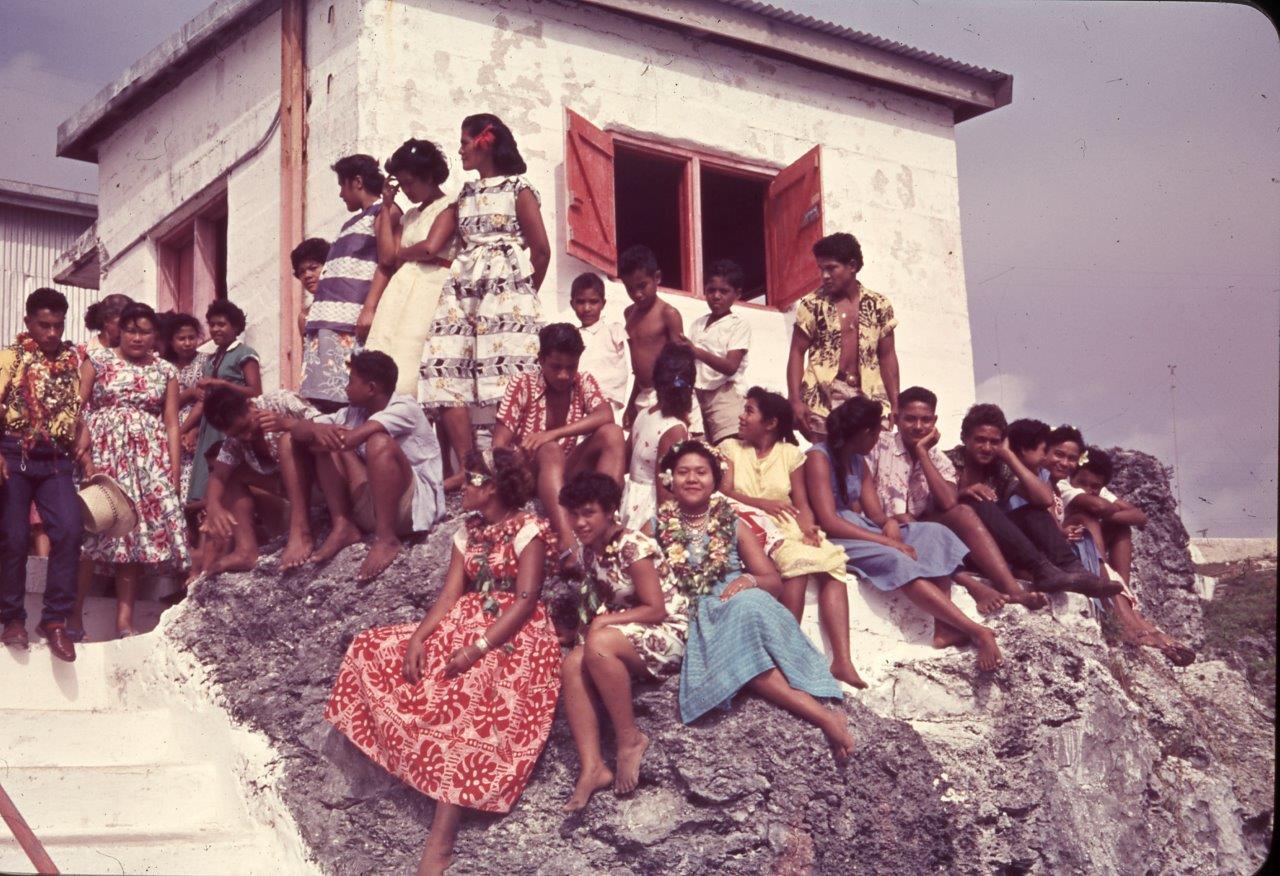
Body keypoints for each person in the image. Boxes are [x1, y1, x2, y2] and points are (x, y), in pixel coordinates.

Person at [325, 447, 560, 876]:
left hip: (512, 637)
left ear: (490, 487)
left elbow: (526, 601)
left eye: (469, 478)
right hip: (464, 621)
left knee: (472, 689)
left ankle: (442, 838)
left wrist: (477, 649)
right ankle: (402, 765)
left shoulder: (530, 530)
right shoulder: (468, 532)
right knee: (371, 646)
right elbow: (451, 594)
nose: (462, 484)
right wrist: (419, 636)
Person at [646, 441, 854, 758]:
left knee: (748, 605)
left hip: (741, 598)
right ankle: (823, 717)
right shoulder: (655, 527)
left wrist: (749, 579)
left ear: (714, 481)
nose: (691, 479)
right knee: (741, 621)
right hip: (695, 607)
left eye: (701, 472)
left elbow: (773, 581)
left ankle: (823, 709)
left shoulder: (732, 523)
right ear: (669, 479)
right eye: (683, 472)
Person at [804, 397, 1003, 671]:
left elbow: (874, 513)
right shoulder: (818, 457)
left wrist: (888, 523)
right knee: (896, 559)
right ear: (865, 433)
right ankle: (976, 630)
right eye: (876, 431)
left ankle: (943, 627)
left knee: (934, 534)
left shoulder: (858, 461)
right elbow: (829, 520)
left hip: (862, 528)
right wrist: (887, 541)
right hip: (835, 536)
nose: (879, 438)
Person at [420, 114, 551, 489]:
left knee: (507, 374)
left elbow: (540, 250)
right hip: (464, 289)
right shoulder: (465, 194)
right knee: (446, 363)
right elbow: (436, 241)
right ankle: (469, 465)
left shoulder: (518, 188)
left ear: (485, 142)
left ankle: (511, 466)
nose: (460, 149)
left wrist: (523, 297)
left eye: (464, 141)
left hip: (506, 291)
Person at [558, 471, 691, 811]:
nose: (580, 522)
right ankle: (592, 767)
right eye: (574, 514)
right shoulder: (591, 551)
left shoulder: (633, 545)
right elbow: (604, 601)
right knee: (573, 662)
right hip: (624, 632)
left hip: (667, 630)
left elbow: (656, 608)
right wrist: (581, 631)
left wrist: (605, 622)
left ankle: (629, 739)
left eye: (589, 513)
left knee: (598, 644)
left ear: (609, 512)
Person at [718, 387, 866, 688]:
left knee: (831, 564)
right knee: (795, 569)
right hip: (749, 524)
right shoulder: (730, 448)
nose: (741, 416)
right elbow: (725, 491)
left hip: (786, 526)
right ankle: (784, 654)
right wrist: (763, 504)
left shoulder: (790, 454)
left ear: (770, 423)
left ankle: (842, 660)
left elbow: (801, 503)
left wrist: (809, 528)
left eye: (749, 411)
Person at [270, 351, 446, 581]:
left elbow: (351, 439)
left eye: (351, 380)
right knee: (298, 440)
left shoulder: (405, 408)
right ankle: (337, 526)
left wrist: (315, 430)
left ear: (371, 388)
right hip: (370, 507)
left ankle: (386, 540)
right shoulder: (352, 413)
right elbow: (308, 431)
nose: (345, 387)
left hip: (411, 510)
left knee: (378, 443)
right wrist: (300, 426)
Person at [870, 387, 1046, 611]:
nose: (918, 426)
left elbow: (948, 504)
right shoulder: (878, 445)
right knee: (924, 527)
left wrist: (923, 453)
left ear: (934, 421)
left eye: (925, 420)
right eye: (910, 419)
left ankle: (1012, 590)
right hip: (878, 526)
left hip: (917, 529)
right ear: (896, 419)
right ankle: (974, 586)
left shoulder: (939, 459)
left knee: (960, 514)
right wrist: (888, 520)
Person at [73, 303, 189, 639]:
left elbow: (171, 424)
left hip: (146, 461)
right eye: (131, 330)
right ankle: (73, 614)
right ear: (118, 331)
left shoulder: (165, 371)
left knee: (133, 535)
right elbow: (79, 407)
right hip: (104, 454)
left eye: (145, 331)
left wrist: (173, 472)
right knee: (92, 532)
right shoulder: (99, 360)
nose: (138, 338)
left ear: (155, 336)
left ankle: (124, 622)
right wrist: (85, 455)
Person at [1046, 434, 1195, 666]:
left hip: (1092, 553)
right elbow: (1096, 505)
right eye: (1082, 483)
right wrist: (1103, 506)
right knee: (1086, 517)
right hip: (1069, 548)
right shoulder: (1065, 485)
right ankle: (1127, 618)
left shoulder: (1092, 487)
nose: (1087, 489)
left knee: (1121, 528)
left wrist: (1107, 510)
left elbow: (1139, 516)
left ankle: (1127, 602)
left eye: (1094, 486)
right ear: (1073, 476)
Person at [493, 323, 625, 577]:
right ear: (541, 360)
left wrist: (552, 433)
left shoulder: (582, 381)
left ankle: (607, 525)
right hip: (527, 474)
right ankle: (568, 543)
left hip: (562, 471)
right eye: (556, 367)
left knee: (613, 433)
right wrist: (522, 454)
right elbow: (498, 445)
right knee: (550, 449)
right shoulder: (522, 383)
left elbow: (605, 414)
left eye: (570, 367)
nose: (564, 375)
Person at [944, 405, 1116, 598]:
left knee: (1033, 512)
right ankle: (1040, 568)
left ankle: (1071, 567)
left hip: (997, 546)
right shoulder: (947, 460)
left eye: (994, 442)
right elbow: (932, 505)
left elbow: (1043, 499)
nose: (987, 448)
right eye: (980, 440)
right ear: (964, 438)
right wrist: (965, 492)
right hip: (962, 546)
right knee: (980, 502)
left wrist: (1008, 455)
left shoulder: (998, 466)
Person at [0, 289, 85, 662]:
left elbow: (82, 409)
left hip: (55, 460)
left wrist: (85, 439)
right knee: (14, 537)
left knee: (69, 529)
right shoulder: (10, 357)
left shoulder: (73, 362)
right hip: (14, 454)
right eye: (43, 325)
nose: (51, 333)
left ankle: (53, 621)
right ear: (28, 323)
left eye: (58, 325)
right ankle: (12, 619)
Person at [365, 138, 456, 399]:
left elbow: (431, 247)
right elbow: (386, 257)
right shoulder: (410, 216)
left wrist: (403, 253)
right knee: (387, 344)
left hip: (430, 286)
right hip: (402, 288)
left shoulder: (450, 205)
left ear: (428, 176)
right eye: (401, 184)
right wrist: (385, 206)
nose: (406, 190)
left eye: (410, 182)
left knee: (413, 351)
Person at [300, 154, 390, 412]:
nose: (341, 194)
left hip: (348, 322)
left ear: (357, 182)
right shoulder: (351, 223)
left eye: (342, 185)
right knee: (321, 403)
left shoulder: (384, 212)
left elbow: (386, 263)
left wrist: (369, 308)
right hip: (329, 322)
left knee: (345, 400)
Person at [787, 233, 899, 440]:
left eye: (831, 268)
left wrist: (895, 403)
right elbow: (796, 352)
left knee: (870, 463)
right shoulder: (812, 304)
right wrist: (794, 400)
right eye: (821, 269)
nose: (824, 276)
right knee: (828, 462)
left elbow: (887, 356)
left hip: (869, 396)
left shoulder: (879, 304)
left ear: (852, 266)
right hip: (824, 397)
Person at [196, 387, 316, 576]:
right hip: (285, 487)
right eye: (236, 434)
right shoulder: (235, 440)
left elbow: (324, 426)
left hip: (318, 480)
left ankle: (300, 532)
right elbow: (219, 475)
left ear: (250, 405)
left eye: (245, 428)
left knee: (287, 441)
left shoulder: (281, 401)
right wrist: (213, 506)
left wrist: (287, 424)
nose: (245, 437)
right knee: (231, 475)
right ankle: (246, 551)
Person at [186, 300, 262, 505]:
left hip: (231, 425)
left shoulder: (244, 353)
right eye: (212, 325)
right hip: (210, 426)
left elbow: (255, 391)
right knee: (206, 474)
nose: (215, 329)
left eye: (222, 324)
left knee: (227, 475)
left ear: (235, 327)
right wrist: (191, 429)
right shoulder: (212, 359)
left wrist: (220, 383)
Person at [618, 245, 696, 433]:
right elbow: (640, 368)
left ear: (657, 278)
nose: (637, 294)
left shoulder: (668, 314)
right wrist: (630, 403)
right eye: (630, 289)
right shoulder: (629, 314)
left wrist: (674, 402)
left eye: (642, 285)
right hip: (643, 395)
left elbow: (682, 365)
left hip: (667, 395)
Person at [620, 342, 692, 529]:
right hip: (649, 514)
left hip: (630, 502)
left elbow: (624, 462)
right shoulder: (674, 429)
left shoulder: (645, 413)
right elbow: (666, 498)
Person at [681, 258, 750, 444]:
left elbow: (730, 366)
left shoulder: (738, 325)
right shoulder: (697, 324)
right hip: (696, 394)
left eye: (724, 291)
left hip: (724, 395)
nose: (716, 296)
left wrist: (696, 351)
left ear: (737, 294)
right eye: (711, 290)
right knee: (701, 448)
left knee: (730, 447)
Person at [160, 313, 209, 502]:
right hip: (169, 428)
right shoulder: (164, 366)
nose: (187, 343)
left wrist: (192, 430)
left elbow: (208, 401)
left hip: (197, 428)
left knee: (194, 484)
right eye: (181, 338)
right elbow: (161, 404)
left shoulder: (206, 362)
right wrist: (189, 393)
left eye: (191, 338)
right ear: (171, 341)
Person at [567, 272, 628, 413]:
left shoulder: (614, 331)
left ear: (603, 303)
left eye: (593, 302)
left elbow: (629, 368)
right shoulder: (571, 335)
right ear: (572, 304)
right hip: (574, 404)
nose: (587, 308)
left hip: (606, 403)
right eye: (581, 302)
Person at [291, 237, 331, 338]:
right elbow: (306, 353)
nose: (307, 275)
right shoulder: (304, 316)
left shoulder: (348, 302)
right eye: (301, 272)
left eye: (313, 268)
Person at [80, 293, 132, 358]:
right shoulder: (82, 353)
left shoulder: (136, 352)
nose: (130, 326)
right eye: (124, 320)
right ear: (106, 320)